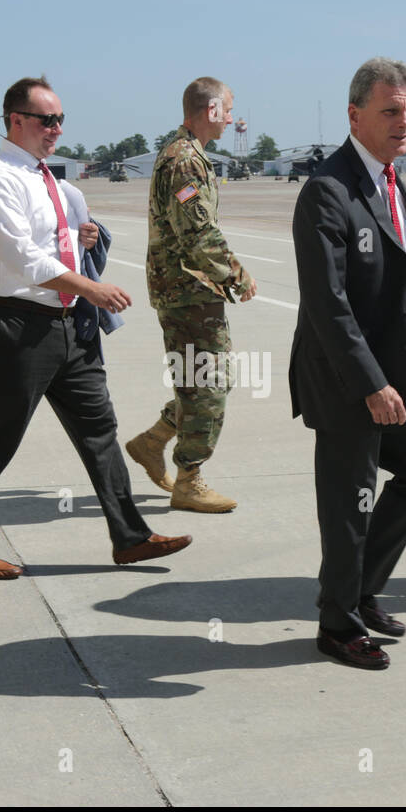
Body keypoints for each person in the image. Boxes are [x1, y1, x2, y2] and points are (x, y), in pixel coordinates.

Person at [0, 76, 192, 577]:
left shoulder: (50, 180)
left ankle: (131, 537)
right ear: (15, 120)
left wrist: (81, 238)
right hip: (16, 326)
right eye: (46, 120)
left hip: (66, 326)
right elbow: (21, 256)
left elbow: (52, 244)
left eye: (60, 119)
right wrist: (91, 287)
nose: (56, 129)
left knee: (100, 430)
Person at [290, 58, 406, 670]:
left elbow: (402, 280)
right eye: (390, 111)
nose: (403, 122)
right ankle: (338, 624)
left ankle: (359, 589)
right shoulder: (328, 190)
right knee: (350, 501)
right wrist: (372, 382)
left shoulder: (390, 179)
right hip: (347, 381)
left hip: (396, 374)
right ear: (355, 115)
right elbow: (327, 304)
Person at [125, 77, 256, 513]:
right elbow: (198, 231)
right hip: (187, 291)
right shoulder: (184, 160)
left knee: (199, 382)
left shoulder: (188, 154)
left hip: (188, 289)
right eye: (229, 108)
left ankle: (153, 441)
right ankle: (189, 479)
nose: (233, 117)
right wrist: (237, 275)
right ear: (212, 109)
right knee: (208, 385)